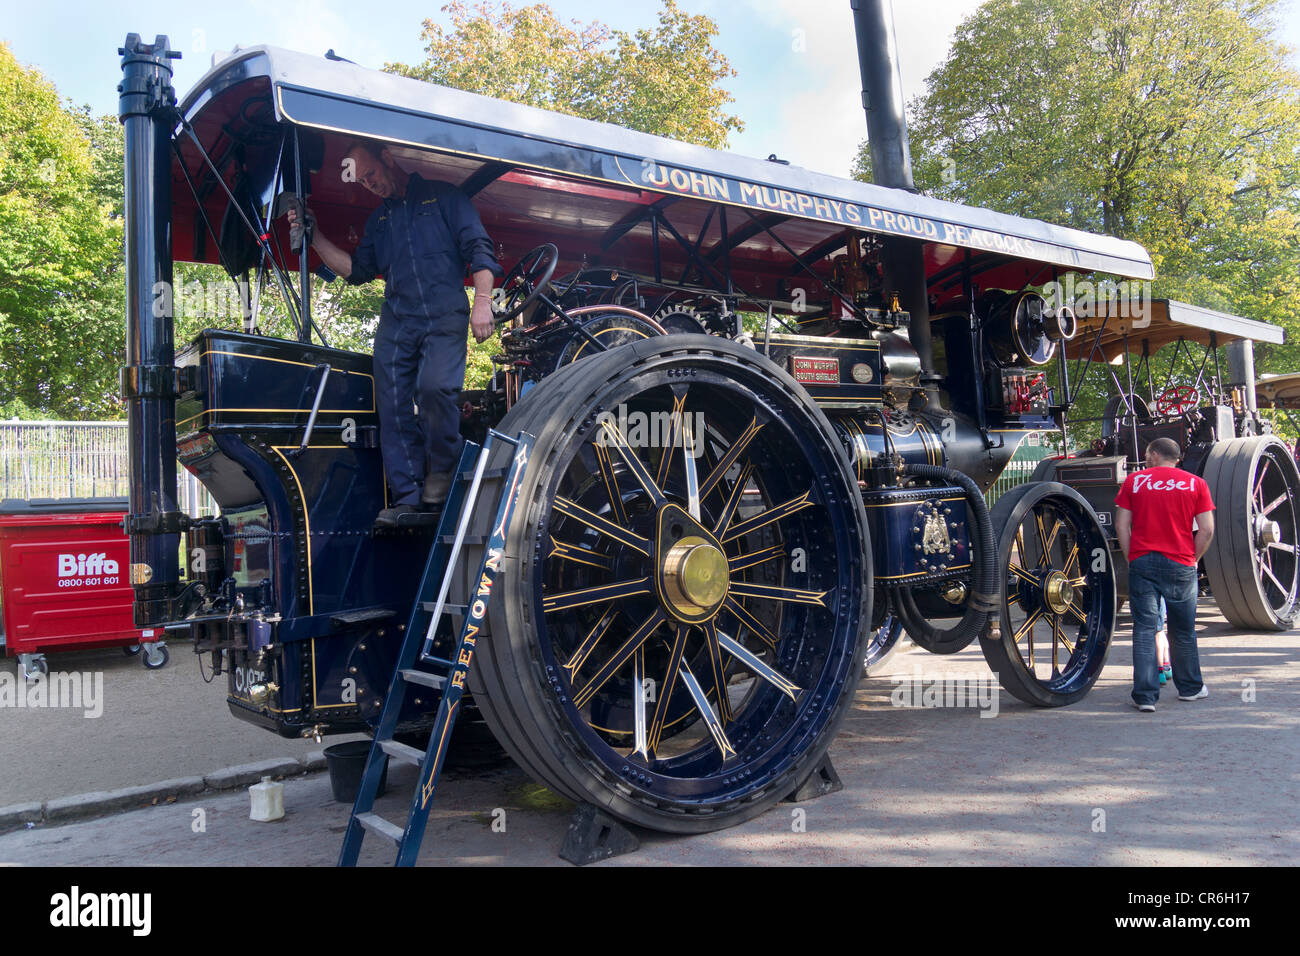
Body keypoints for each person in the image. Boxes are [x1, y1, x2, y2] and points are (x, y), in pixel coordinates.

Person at [287, 141, 502, 527]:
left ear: (387, 158)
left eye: (371, 174)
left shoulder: (445, 199)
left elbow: (481, 252)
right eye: (363, 180)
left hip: (444, 314)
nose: (369, 184)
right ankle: (407, 496)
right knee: (391, 402)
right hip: (397, 320)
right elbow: (356, 271)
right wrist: (314, 235)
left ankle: (442, 478)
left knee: (436, 389)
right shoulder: (379, 223)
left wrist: (482, 300)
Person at [1114, 436, 1215, 712]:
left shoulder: (1134, 482)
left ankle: (1146, 696)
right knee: (1183, 630)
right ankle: (1190, 688)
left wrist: (1130, 556)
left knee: (1145, 629)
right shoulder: (1196, 484)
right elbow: (1207, 529)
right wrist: (1193, 558)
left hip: (1143, 561)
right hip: (1180, 562)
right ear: (1177, 458)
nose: (1145, 459)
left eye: (1147, 454)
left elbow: (1121, 525)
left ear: (1155, 454)